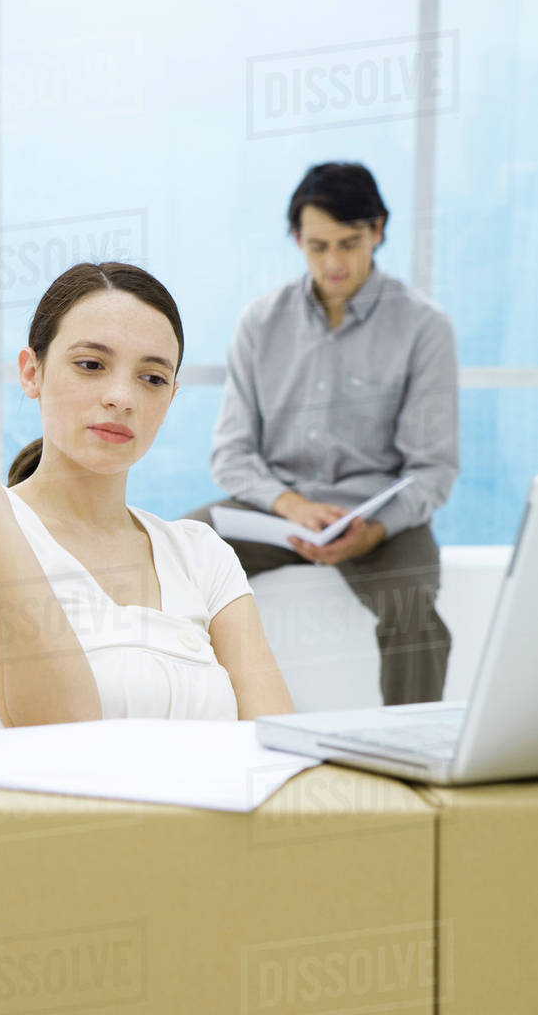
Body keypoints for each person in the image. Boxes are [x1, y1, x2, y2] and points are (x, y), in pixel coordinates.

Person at [0, 261, 294, 729]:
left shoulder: (202, 555)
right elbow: (59, 730)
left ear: (172, 397)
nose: (122, 397)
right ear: (30, 373)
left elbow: (278, 748)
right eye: (91, 365)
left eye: (153, 378)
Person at [184, 163, 459, 706]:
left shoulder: (425, 328)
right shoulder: (260, 322)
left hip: (377, 522)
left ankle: (409, 760)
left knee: (416, 615)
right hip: (276, 513)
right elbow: (232, 453)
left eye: (349, 243)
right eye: (317, 246)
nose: (333, 263)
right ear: (296, 240)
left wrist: (374, 529)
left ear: (378, 230)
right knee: (173, 552)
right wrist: (291, 505)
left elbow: (432, 469)